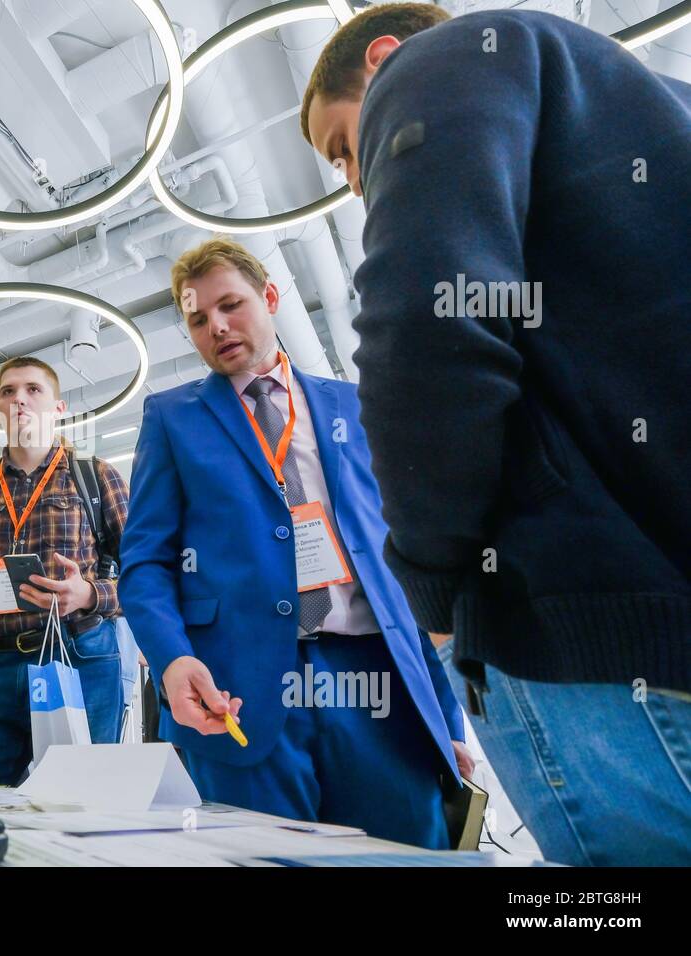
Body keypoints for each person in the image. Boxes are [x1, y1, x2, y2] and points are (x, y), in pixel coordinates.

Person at [301, 4, 691, 864]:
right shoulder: (658, 106)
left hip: (593, 643)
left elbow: (425, 324)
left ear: (382, 57)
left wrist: (436, 591)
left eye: (340, 147)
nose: (355, 182)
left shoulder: (439, 61)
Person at [118, 238, 470, 850]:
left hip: (377, 682)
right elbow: (145, 561)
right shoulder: (172, 418)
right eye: (198, 319)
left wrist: (445, 712)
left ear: (271, 297)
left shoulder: (354, 407)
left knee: (406, 853)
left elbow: (402, 564)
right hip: (236, 691)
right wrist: (172, 659)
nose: (217, 326)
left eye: (232, 305)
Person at [0, 356, 129, 785]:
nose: (19, 399)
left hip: (80, 658)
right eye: (8, 391)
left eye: (33, 390)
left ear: (58, 409)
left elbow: (146, 574)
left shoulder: (95, 477)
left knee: (84, 802)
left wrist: (90, 594)